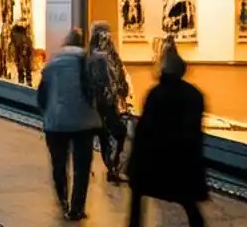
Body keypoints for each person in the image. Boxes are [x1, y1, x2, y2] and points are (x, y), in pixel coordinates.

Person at [127, 39, 208, 227]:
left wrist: (134, 163)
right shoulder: (194, 95)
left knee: (138, 197)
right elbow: (195, 131)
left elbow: (144, 129)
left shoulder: (156, 94)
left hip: (154, 160)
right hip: (181, 161)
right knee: (188, 202)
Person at [36, 28, 101, 222]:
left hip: (55, 123)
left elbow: (42, 96)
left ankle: (62, 198)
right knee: (82, 167)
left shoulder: (51, 64)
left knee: (59, 163)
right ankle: (76, 209)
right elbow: (95, 88)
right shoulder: (88, 61)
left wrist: (47, 114)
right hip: (83, 122)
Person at [86, 21, 130, 182]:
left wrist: (122, 91)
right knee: (105, 135)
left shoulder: (110, 55)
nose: (106, 36)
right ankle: (111, 167)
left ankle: (113, 164)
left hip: (110, 102)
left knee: (117, 133)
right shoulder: (94, 57)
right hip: (100, 103)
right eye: (103, 33)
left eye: (107, 32)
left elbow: (119, 74)